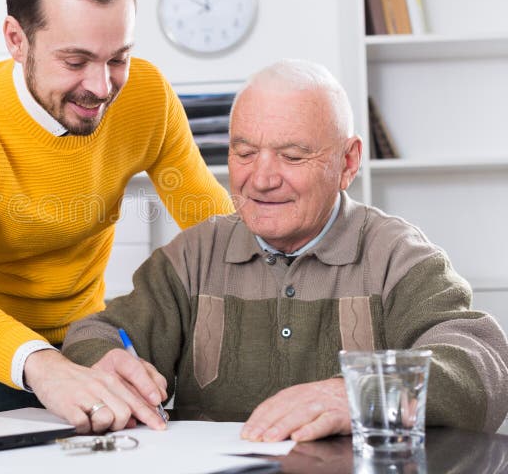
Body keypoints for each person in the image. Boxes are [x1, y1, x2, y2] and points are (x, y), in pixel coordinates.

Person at [63, 58, 508, 440]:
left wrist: (358, 393)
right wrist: (106, 361)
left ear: (347, 163)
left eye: (292, 157)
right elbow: (93, 335)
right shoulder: (192, 256)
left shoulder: (397, 257)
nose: (261, 179)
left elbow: (484, 366)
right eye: (244, 153)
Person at [0, 0, 233, 433]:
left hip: (86, 341)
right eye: (75, 61)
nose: (102, 88)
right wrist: (43, 366)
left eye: (118, 58)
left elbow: (213, 224)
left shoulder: (146, 97)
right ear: (17, 40)